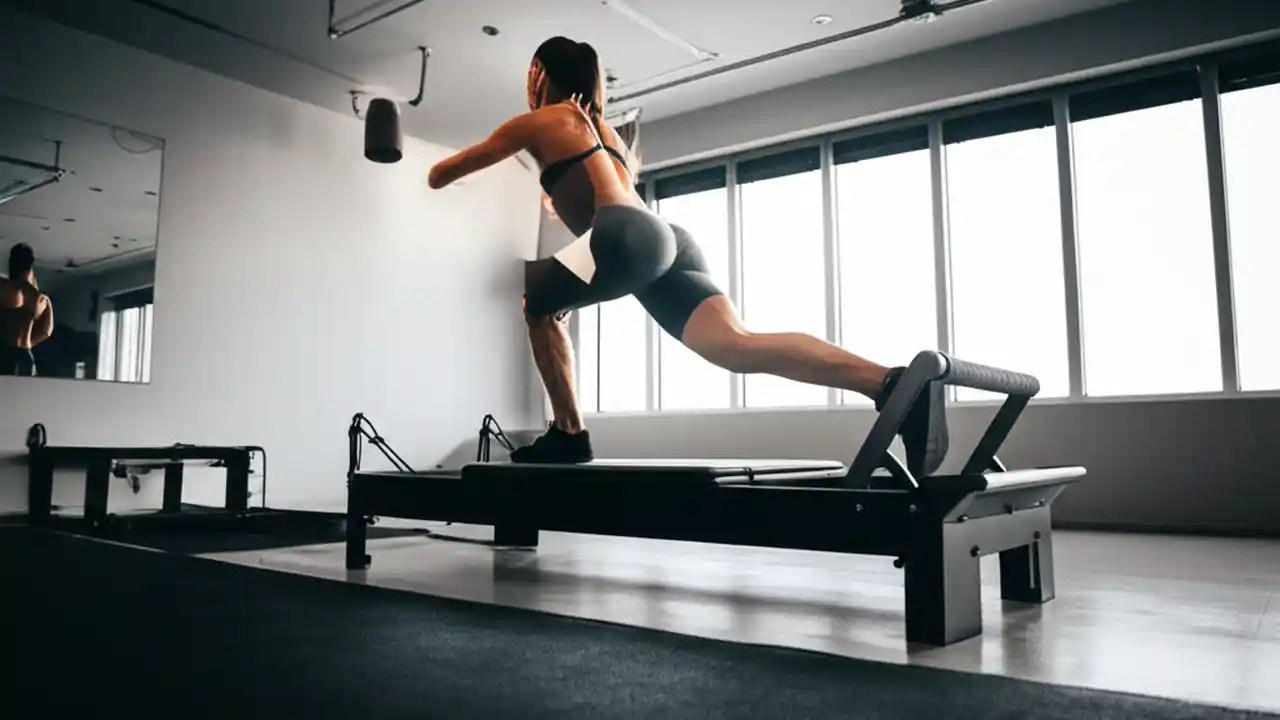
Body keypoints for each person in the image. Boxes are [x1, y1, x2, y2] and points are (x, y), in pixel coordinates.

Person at [428, 36, 948, 474]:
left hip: (624, 237)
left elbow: (442, 173)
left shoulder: (540, 120)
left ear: (539, 72)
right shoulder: (606, 133)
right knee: (735, 345)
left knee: (535, 303)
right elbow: (604, 202)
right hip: (665, 238)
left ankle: (569, 434)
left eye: (530, 72)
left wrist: (453, 166)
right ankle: (891, 384)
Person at [1, 243, 54, 376]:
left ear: (11, 263)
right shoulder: (42, 299)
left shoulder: (3, 287)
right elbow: (46, 331)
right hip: (26, 354)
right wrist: (29, 343)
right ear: (31, 265)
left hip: (4, 351)